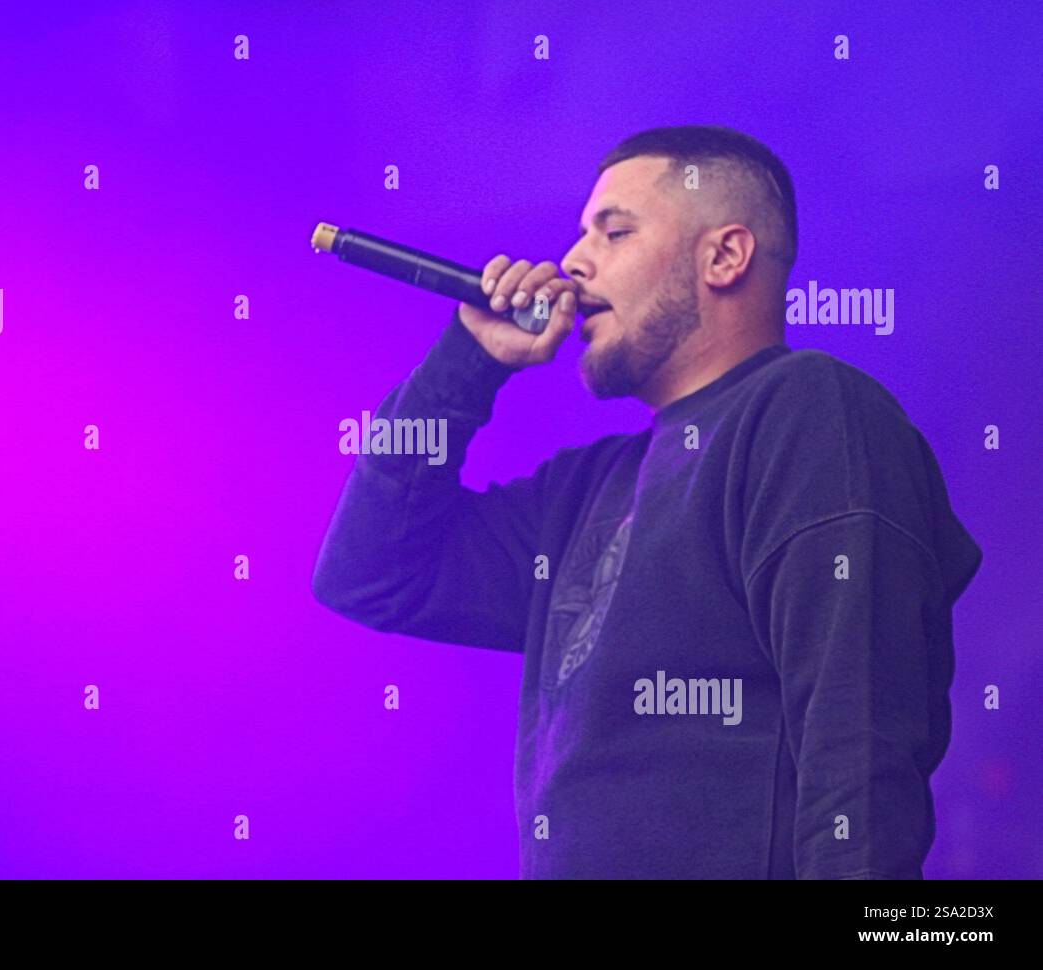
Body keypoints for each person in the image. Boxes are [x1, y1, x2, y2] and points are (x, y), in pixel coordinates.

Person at [311, 124, 983, 879]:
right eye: (580, 234)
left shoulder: (808, 410)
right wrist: (464, 363)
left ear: (724, 257)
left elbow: (856, 742)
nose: (572, 261)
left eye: (615, 230)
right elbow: (370, 573)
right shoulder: (585, 491)